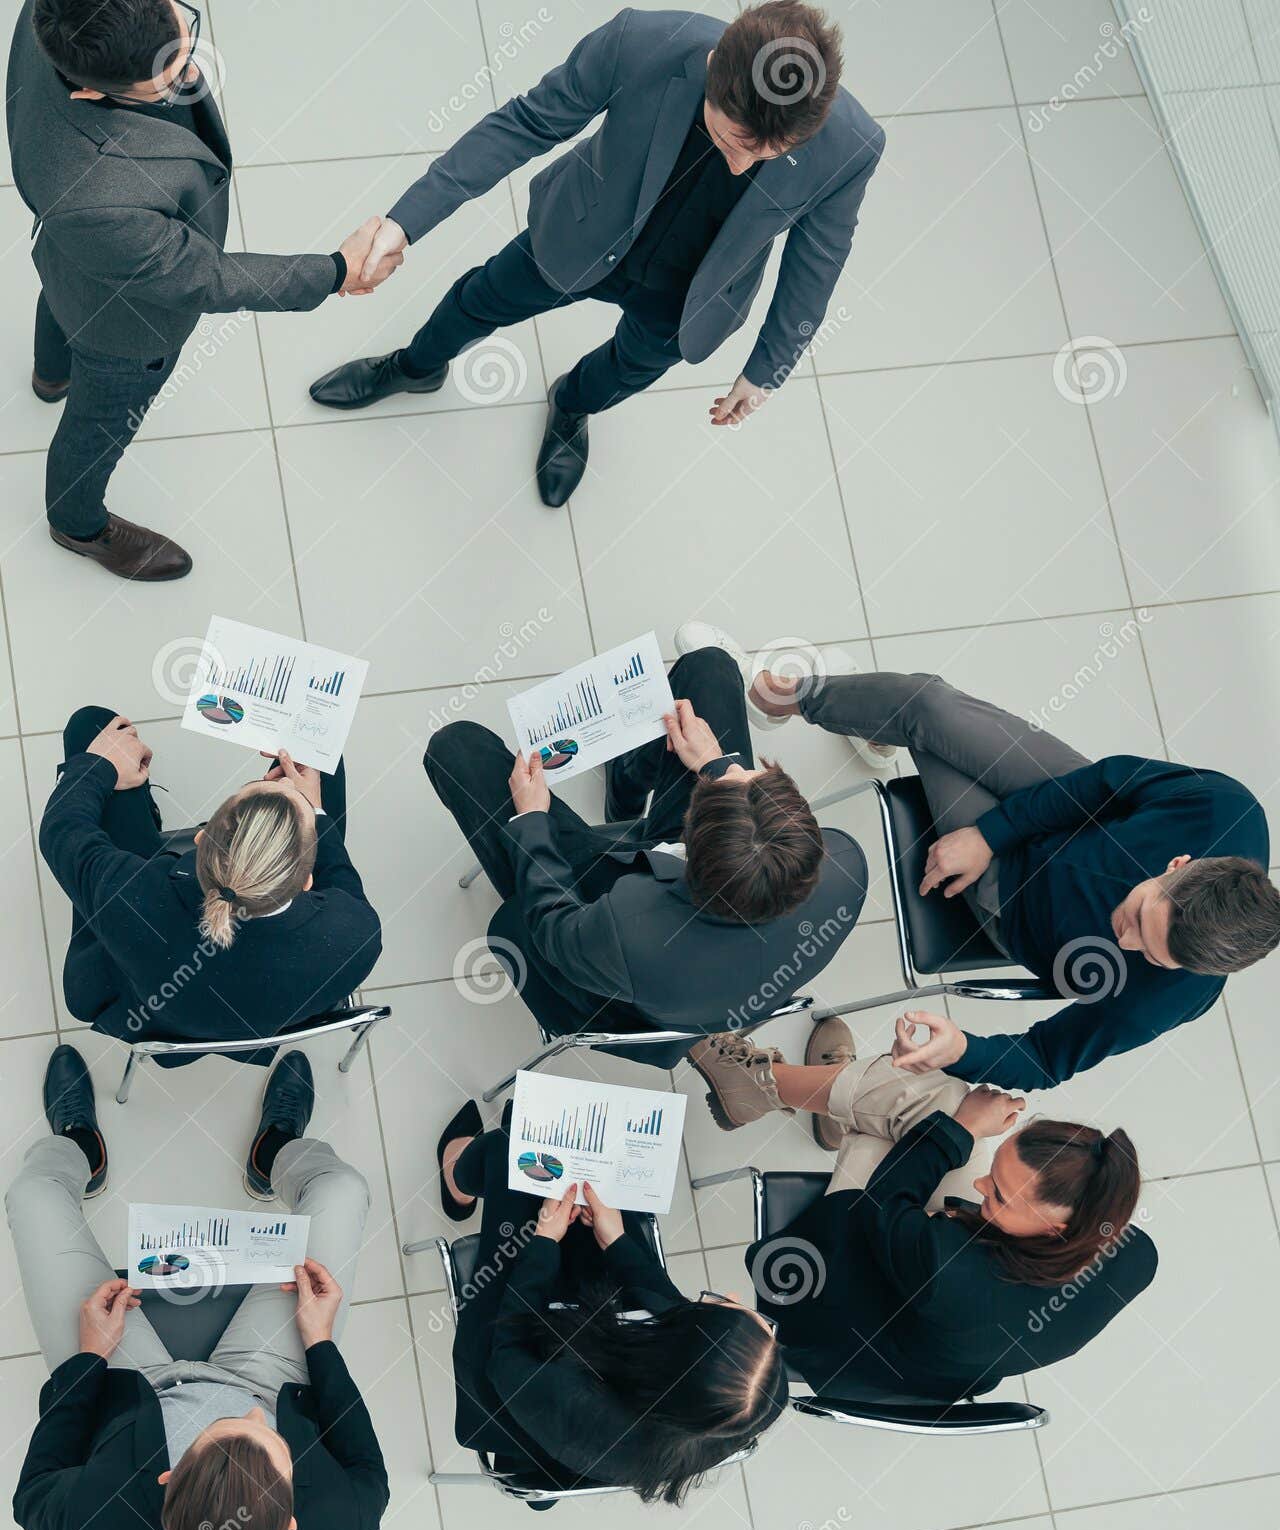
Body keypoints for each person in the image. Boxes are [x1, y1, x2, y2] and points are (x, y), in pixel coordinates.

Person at [309, 3, 884, 506]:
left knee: (626, 372)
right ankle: (415, 367)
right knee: (477, 300)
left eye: (770, 154)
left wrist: (767, 369)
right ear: (712, 70)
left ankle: (571, 407)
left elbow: (819, 258)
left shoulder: (851, 147)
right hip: (581, 232)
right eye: (733, 141)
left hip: (688, 294)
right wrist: (405, 222)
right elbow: (525, 124)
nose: (742, 166)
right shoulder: (640, 42)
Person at [7, 0, 404, 582]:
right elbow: (206, 275)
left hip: (71, 258)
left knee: (61, 299)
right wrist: (336, 271)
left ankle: (50, 376)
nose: (187, 66)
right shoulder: (102, 201)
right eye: (166, 77)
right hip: (125, 325)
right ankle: (76, 522)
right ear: (92, 95)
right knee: (98, 425)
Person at [743, 661, 1278, 1092]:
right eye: (1140, 917)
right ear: (1178, 866)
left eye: (1151, 955)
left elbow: (1046, 1059)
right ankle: (789, 697)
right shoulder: (1224, 809)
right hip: (1072, 810)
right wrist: (990, 833)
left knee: (925, 732)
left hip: (1014, 896)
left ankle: (872, 724)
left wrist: (962, 1050)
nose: (1125, 939)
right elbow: (1105, 785)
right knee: (924, 702)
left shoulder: (1169, 997)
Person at [9, 1045, 389, 1530]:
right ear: (293, 1514)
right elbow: (363, 1463)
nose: (258, 1417)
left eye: (218, 1428)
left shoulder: (96, 1523)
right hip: (270, 1376)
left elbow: (34, 1493)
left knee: (31, 1195)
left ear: (169, 1473)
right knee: (343, 1190)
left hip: (130, 1382)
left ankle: (75, 1150)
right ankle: (275, 1152)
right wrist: (321, 1341)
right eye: (273, 1441)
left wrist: (89, 1358)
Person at [690, 1021, 1157, 1403]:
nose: (979, 1185)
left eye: (997, 1193)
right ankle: (835, 1103)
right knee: (938, 1106)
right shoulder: (1133, 1251)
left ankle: (763, 1086)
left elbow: (888, 1199)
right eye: (994, 1170)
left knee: (926, 1106)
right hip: (936, 1337)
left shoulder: (951, 1276)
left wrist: (963, 1129)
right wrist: (963, 1132)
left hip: (840, 1318)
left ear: (1055, 1229)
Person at [424, 645, 867, 1044]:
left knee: (456, 749)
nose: (736, 767)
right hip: (710, 917)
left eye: (735, 776)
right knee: (709, 668)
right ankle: (627, 784)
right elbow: (738, 807)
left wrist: (533, 821)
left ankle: (620, 794)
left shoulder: (626, 930)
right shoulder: (845, 863)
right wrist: (715, 764)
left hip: (612, 939)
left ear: (692, 828)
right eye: (749, 773)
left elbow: (552, 926)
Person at [438, 1101, 788, 1502]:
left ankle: (458, 1177)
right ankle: (524, 1136)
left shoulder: (575, 1410)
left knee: (507, 1155)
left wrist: (544, 1243)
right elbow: (669, 1312)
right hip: (599, 1353)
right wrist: (616, 1241)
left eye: (717, 1305)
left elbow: (508, 1355)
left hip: (512, 1366)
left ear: (668, 1351)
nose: (735, 1296)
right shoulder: (757, 1395)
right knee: (608, 1186)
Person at [40, 709, 381, 1077]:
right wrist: (313, 807)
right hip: (263, 1021)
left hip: (148, 1013)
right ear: (307, 881)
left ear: (200, 840)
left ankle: (133, 791)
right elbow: (340, 876)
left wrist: (98, 767)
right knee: (322, 756)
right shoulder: (355, 935)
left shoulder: (132, 895)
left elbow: (61, 830)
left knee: (90, 724)